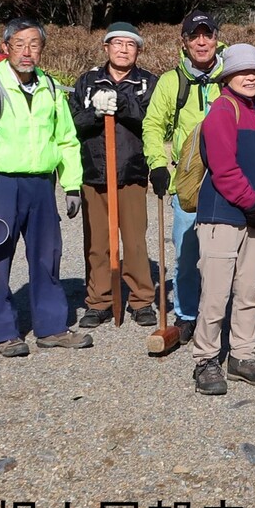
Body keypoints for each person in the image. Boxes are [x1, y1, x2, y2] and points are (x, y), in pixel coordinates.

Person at [0, 19, 90, 357]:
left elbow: (67, 139)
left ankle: (52, 327)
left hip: (42, 184)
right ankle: (4, 333)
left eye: (34, 44)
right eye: (19, 44)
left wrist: (72, 183)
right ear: (6, 48)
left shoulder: (51, 88)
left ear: (42, 50)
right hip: (3, 185)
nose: (27, 52)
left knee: (47, 257)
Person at [150, 12, 255, 349]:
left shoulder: (236, 78)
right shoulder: (171, 82)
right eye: (195, 36)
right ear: (185, 41)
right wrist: (157, 163)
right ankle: (188, 315)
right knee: (190, 256)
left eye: (207, 35)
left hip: (237, 180)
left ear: (217, 38)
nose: (202, 42)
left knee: (249, 263)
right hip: (192, 181)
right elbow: (153, 126)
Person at [188, 43, 255, 395]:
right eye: (243, 72)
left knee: (250, 289)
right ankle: (206, 358)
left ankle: (241, 354)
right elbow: (223, 168)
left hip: (254, 215)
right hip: (223, 215)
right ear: (228, 76)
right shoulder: (222, 110)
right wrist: (253, 203)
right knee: (215, 292)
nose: (250, 77)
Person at [68, 23, 164, 329]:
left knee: (135, 240)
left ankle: (141, 299)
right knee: (98, 242)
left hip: (132, 170)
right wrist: (94, 113)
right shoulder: (87, 81)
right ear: (106, 47)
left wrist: (122, 104)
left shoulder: (147, 82)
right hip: (95, 172)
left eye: (130, 45)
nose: (123, 50)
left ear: (138, 50)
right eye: (117, 44)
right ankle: (99, 300)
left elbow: (151, 119)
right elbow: (72, 124)